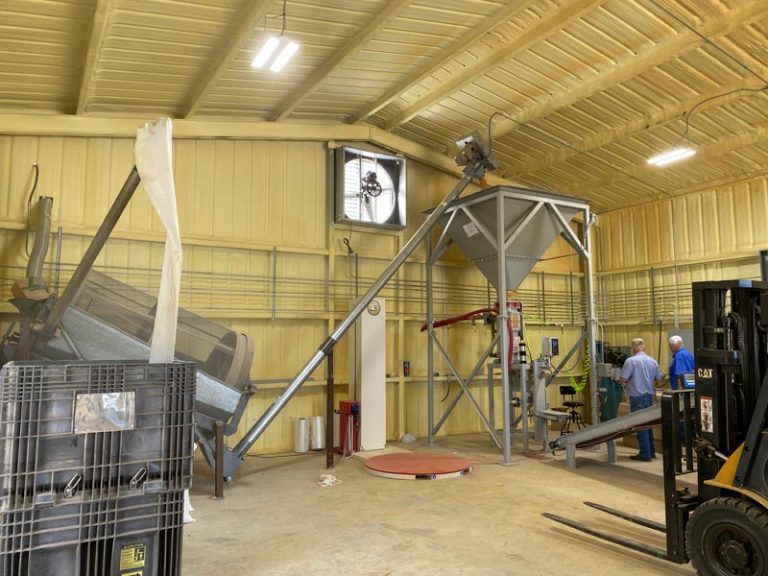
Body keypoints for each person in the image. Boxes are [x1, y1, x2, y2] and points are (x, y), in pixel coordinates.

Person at [620, 338, 663, 462]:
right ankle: (651, 451)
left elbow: (623, 378)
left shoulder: (631, 361)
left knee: (640, 425)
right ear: (643, 347)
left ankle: (645, 453)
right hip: (649, 396)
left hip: (637, 396)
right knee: (648, 424)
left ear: (634, 347)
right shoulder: (653, 361)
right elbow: (659, 377)